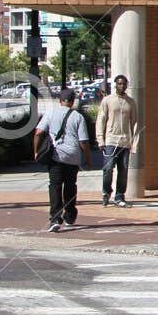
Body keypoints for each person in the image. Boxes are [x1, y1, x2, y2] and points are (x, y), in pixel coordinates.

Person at [34, 87, 91, 233]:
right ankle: (70, 215)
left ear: (60, 101)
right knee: (71, 185)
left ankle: (55, 218)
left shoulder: (51, 112)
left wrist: (36, 151)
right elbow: (83, 141)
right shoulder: (78, 117)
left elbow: (38, 132)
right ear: (72, 102)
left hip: (56, 156)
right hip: (73, 156)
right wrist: (88, 158)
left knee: (55, 186)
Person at [97, 73, 140, 207]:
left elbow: (135, 123)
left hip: (125, 141)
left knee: (123, 170)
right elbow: (101, 120)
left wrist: (134, 143)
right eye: (120, 83)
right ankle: (106, 192)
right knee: (108, 168)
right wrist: (100, 140)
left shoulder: (131, 102)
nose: (122, 86)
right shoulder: (108, 100)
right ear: (115, 85)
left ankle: (119, 196)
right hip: (111, 140)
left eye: (124, 84)